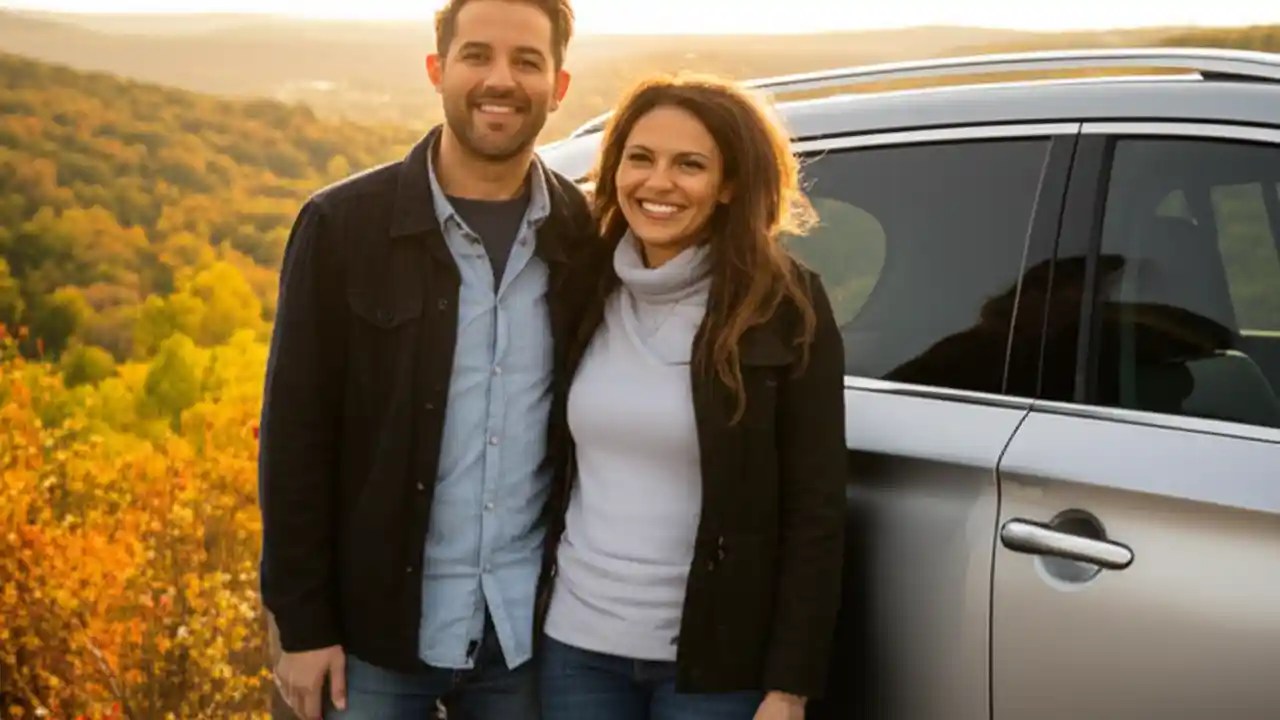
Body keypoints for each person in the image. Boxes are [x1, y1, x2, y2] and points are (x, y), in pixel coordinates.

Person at [257, 1, 594, 718]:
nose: (500, 80)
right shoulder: (342, 226)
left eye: (527, 61)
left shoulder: (583, 234)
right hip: (372, 640)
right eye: (477, 55)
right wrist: (303, 623)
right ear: (438, 70)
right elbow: (294, 439)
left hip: (526, 638)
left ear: (559, 85)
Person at [536, 74, 847, 720]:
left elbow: (814, 508)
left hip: (714, 667)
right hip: (576, 649)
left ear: (729, 184)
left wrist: (789, 687)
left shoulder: (783, 307)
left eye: (690, 165)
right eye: (640, 158)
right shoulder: (580, 284)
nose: (659, 183)